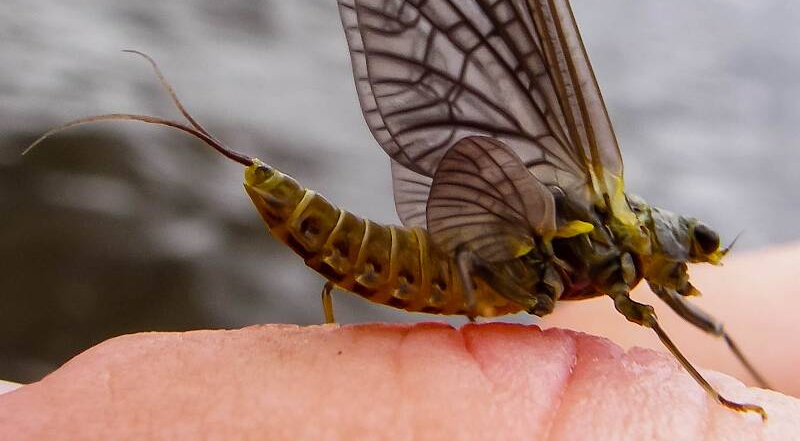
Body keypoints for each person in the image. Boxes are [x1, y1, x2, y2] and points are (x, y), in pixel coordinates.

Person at [0, 245, 797, 439]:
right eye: (693, 251)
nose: (694, 268)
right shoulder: (621, 262)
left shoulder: (619, 269)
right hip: (439, 267)